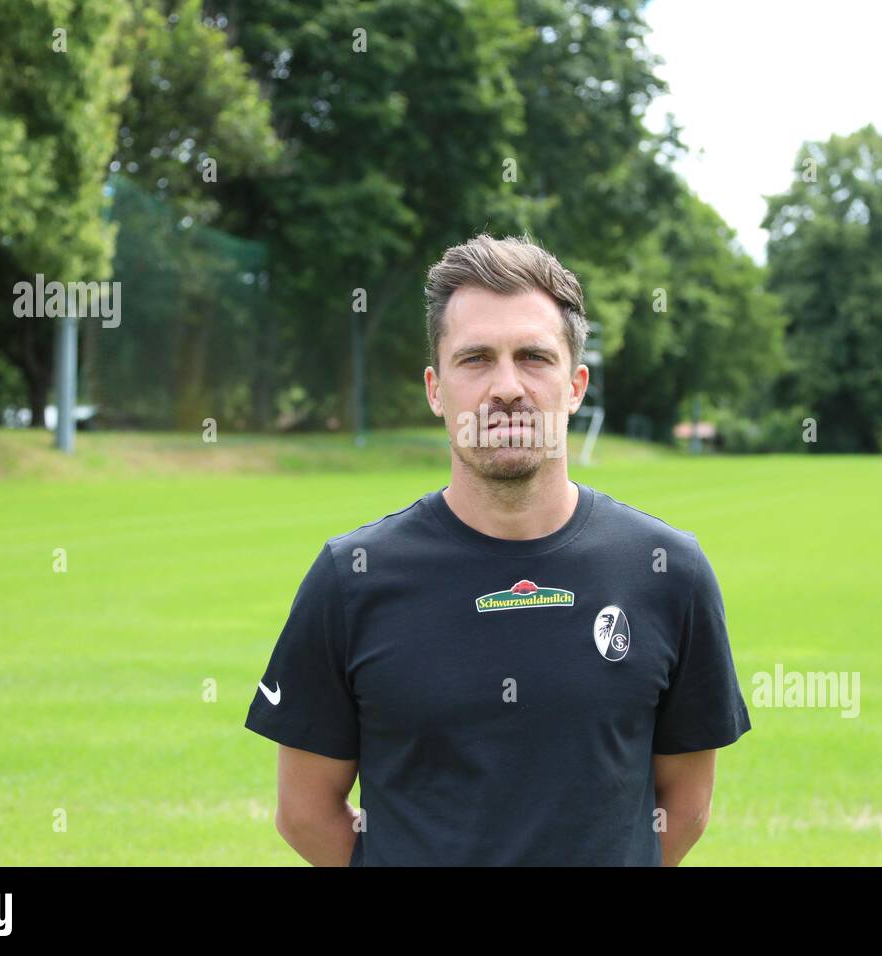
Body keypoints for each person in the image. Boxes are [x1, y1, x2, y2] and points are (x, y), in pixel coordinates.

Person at [244, 233, 751, 865]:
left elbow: (686, 806)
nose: (506, 387)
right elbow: (304, 811)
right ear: (436, 388)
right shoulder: (351, 579)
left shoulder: (668, 572)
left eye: (534, 357)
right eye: (476, 358)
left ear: (575, 386)